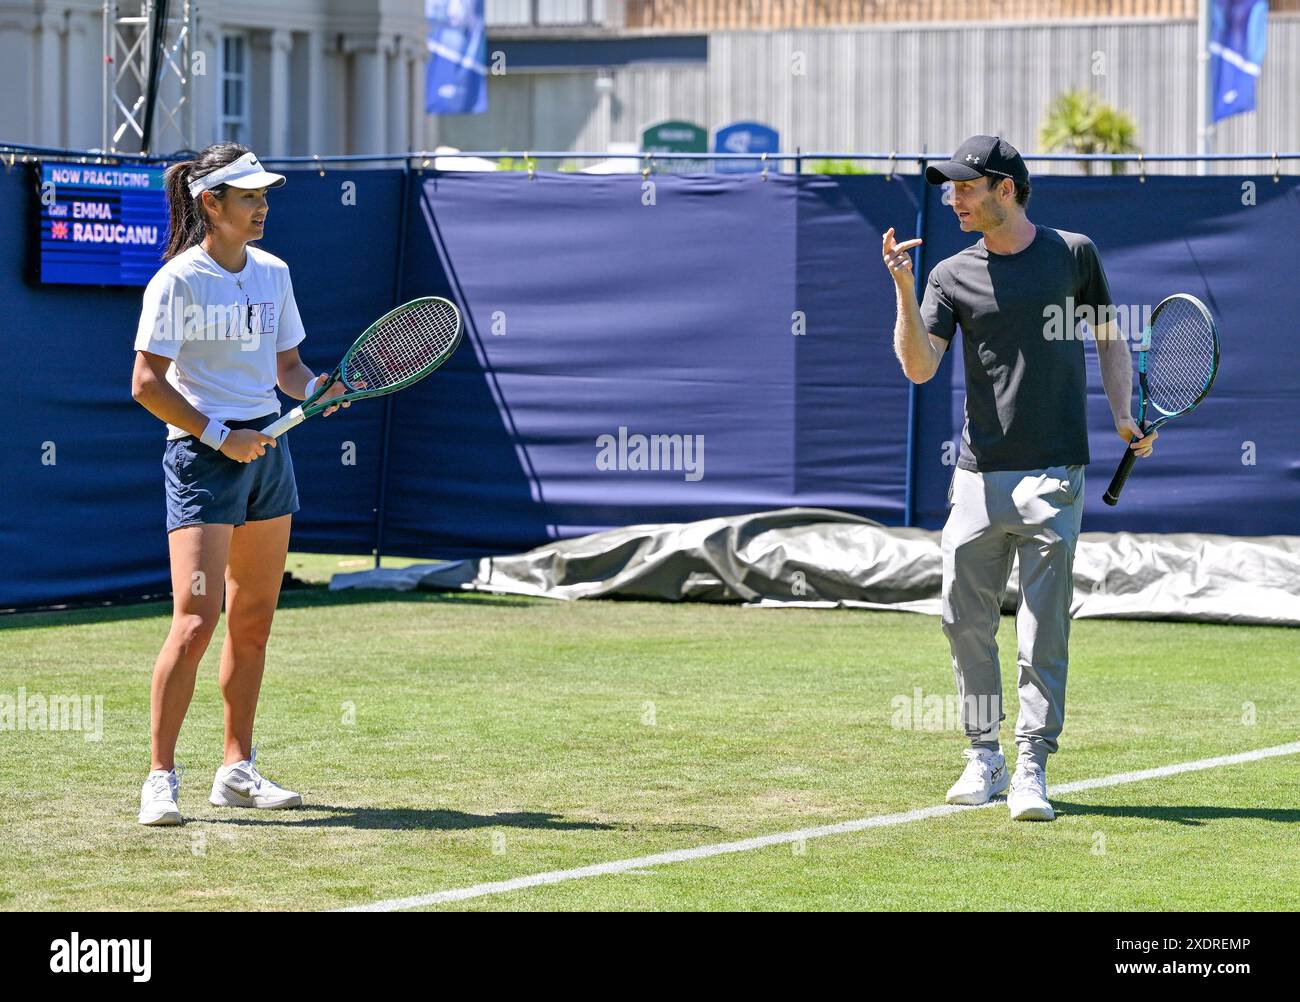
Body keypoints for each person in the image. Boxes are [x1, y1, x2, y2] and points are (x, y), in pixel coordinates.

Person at [882, 135, 1156, 821]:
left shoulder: (1073, 255)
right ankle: (986, 756)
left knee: (1043, 630)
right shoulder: (948, 274)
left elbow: (1108, 336)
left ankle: (1032, 762)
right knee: (961, 621)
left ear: (1005, 189)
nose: (954, 199)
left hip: (1053, 474)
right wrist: (905, 291)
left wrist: (1124, 414)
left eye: (967, 187)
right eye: (950, 188)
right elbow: (918, 368)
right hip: (977, 479)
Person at [131, 143, 350, 825]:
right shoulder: (178, 282)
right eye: (249, 197)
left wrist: (315, 388)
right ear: (211, 205)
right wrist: (222, 436)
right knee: (197, 622)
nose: (261, 208)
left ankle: (237, 768)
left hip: (268, 455)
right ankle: (160, 777)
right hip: (203, 459)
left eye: (264, 196)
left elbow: (285, 365)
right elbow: (146, 385)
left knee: (252, 621)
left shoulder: (274, 273)